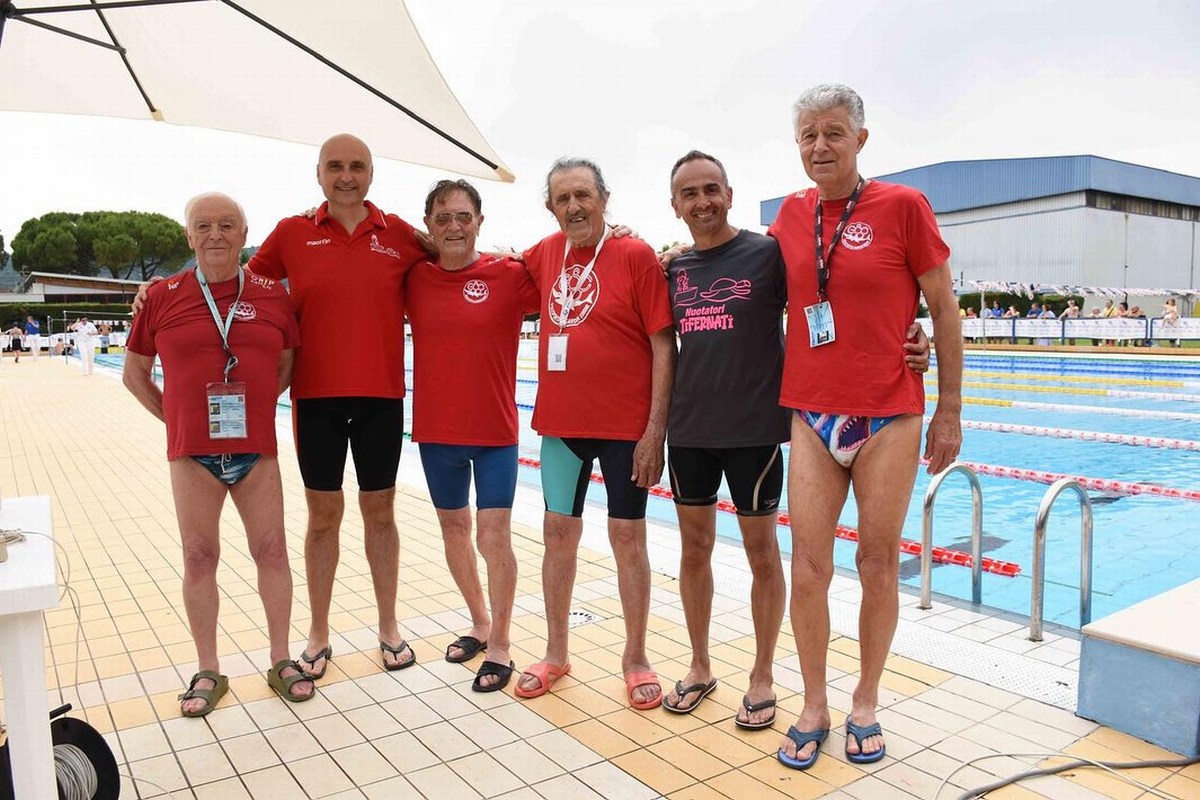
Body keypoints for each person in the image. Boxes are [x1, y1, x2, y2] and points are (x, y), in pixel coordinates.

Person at [659, 151, 932, 728]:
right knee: (693, 551)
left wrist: (914, 334)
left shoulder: (766, 252)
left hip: (758, 429)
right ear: (676, 205)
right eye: (690, 193)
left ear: (730, 194)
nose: (703, 201)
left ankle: (763, 676)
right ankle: (700, 664)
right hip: (690, 430)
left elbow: (843, 287)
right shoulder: (673, 270)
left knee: (765, 556)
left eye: (713, 189)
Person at [769, 84, 961, 770]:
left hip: (889, 413)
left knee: (878, 563)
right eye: (808, 136)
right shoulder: (788, 216)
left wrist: (949, 409)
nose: (819, 146)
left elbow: (943, 308)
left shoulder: (903, 207)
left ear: (860, 138)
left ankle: (866, 702)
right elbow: (737, 275)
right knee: (810, 567)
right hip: (812, 414)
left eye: (832, 133)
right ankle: (813, 704)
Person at [123, 193, 314, 715]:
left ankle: (280, 658)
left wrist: (250, 413)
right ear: (188, 235)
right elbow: (134, 374)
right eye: (203, 225)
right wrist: (179, 421)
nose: (215, 235)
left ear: (243, 231)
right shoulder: (161, 296)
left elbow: (287, 364)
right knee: (197, 557)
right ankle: (208, 669)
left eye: (226, 225)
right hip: (191, 457)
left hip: (256, 451)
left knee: (272, 550)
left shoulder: (272, 294)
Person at [249, 134, 429, 676]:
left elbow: (456, 253)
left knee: (381, 511)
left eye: (356, 166)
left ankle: (389, 626)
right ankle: (319, 630)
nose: (345, 175)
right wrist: (163, 288)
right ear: (319, 174)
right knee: (323, 516)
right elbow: (244, 282)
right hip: (316, 398)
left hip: (381, 398)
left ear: (371, 174)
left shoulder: (399, 234)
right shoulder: (292, 233)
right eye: (335, 166)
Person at [514, 158, 675, 711]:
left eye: (583, 194)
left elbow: (662, 345)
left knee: (628, 538)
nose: (574, 207)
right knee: (558, 535)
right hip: (562, 426)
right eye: (563, 198)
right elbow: (490, 266)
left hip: (625, 429)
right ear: (550, 206)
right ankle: (556, 651)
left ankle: (636, 658)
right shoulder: (542, 253)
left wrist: (655, 431)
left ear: (605, 199)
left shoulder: (634, 256)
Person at [405, 179, 540, 692]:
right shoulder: (413, 277)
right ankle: (480, 622)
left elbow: (565, 271)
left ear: (480, 222)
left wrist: (617, 235)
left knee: (493, 536)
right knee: (454, 532)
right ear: (429, 226)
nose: (453, 226)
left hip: (495, 433)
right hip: (437, 433)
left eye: (463, 216)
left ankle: (501, 641)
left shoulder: (508, 275)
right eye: (442, 218)